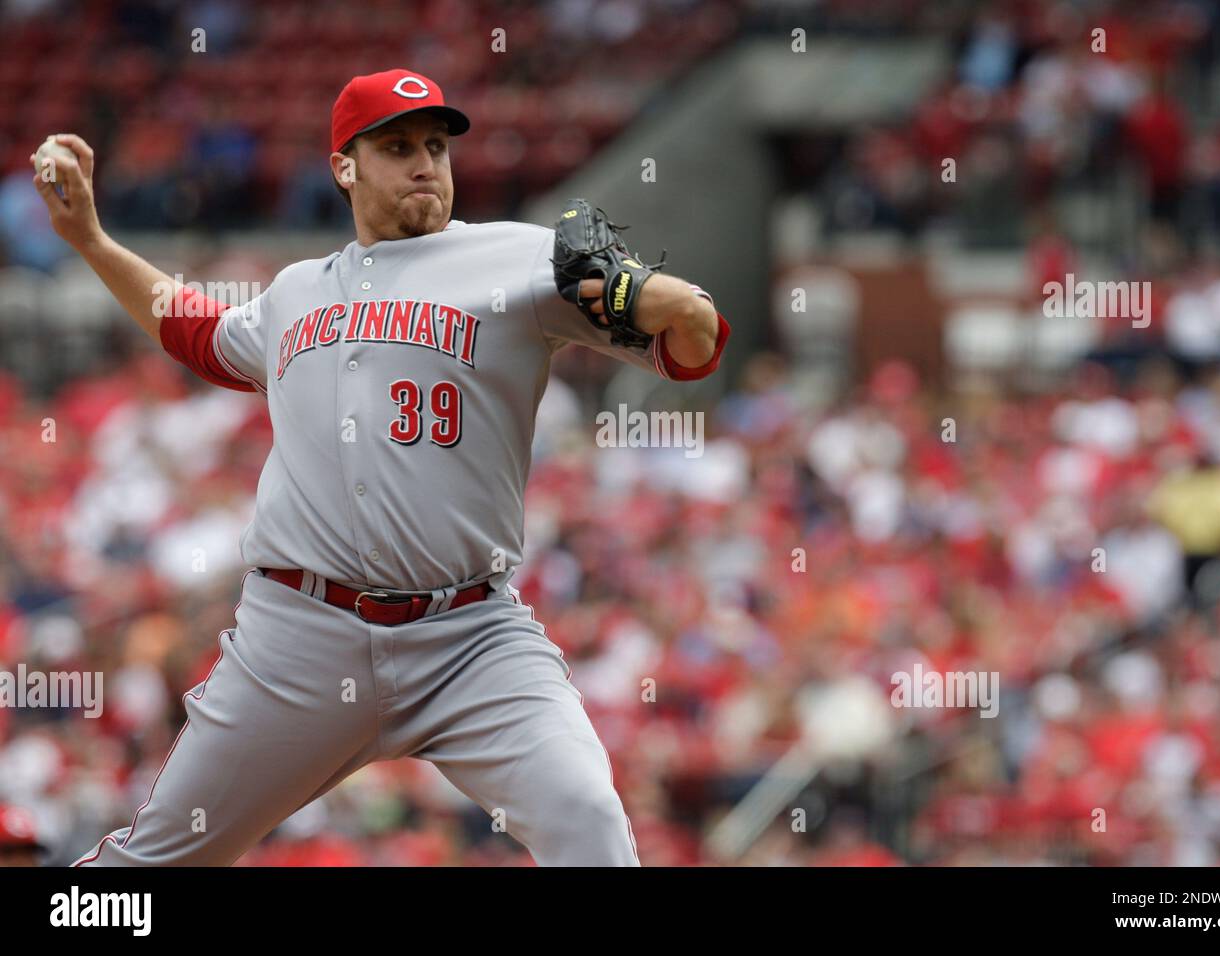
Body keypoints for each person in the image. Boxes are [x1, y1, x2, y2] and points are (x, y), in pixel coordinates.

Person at [34, 68, 729, 867]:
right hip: (300, 640)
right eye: (397, 147)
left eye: (436, 146)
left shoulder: (523, 260)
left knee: (590, 824)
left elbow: (692, 344)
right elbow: (195, 330)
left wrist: (669, 297)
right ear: (345, 166)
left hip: (470, 637)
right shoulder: (296, 291)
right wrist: (91, 239)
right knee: (151, 864)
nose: (426, 164)